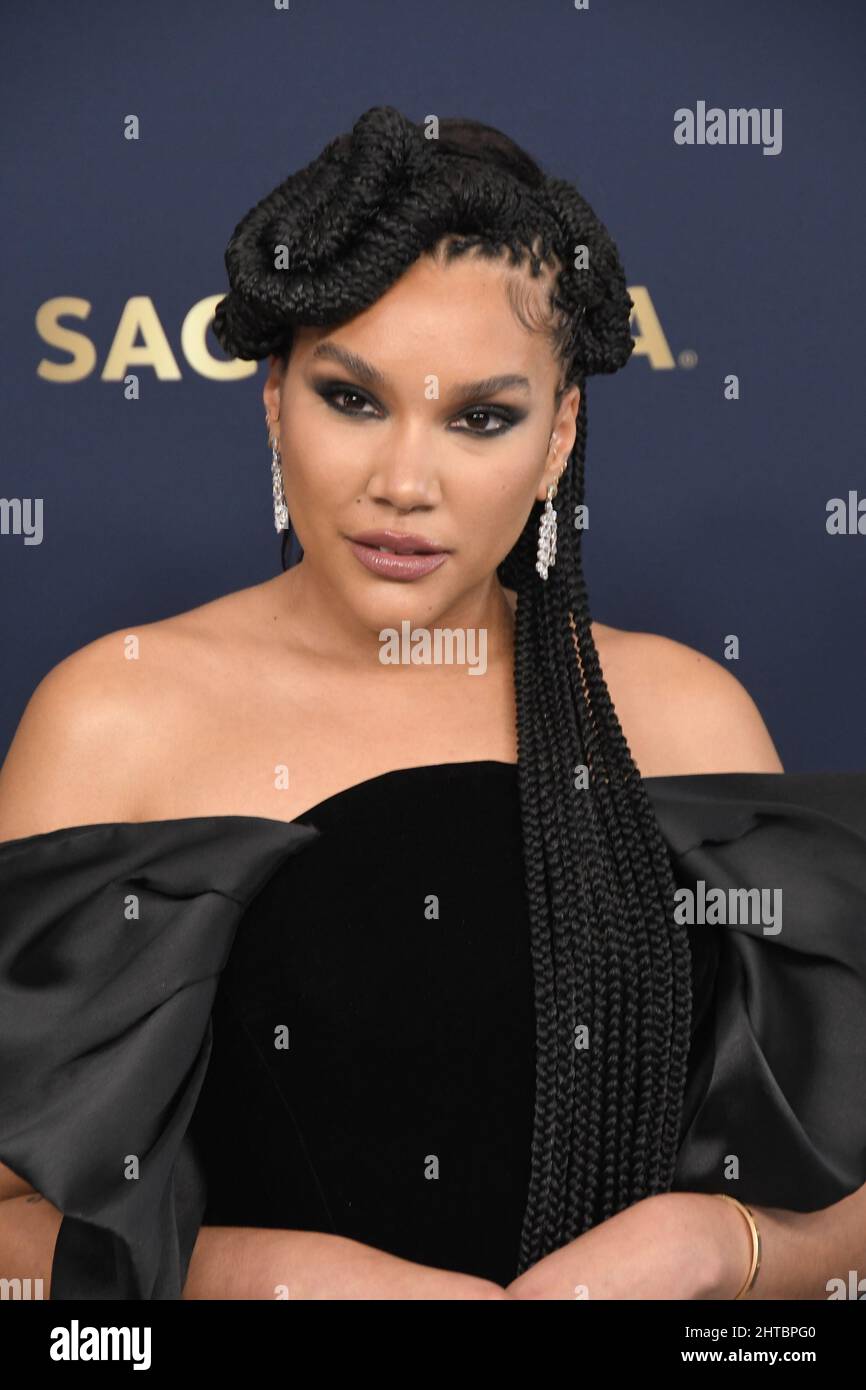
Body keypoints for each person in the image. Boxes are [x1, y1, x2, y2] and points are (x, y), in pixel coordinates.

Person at [0, 105, 864, 1301]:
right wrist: (272, 1278)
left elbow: (841, 1214)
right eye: (351, 398)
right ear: (271, 397)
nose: (401, 483)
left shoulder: (683, 717)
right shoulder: (116, 715)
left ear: (559, 434)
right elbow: (7, 1232)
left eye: (479, 417)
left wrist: (716, 1250)